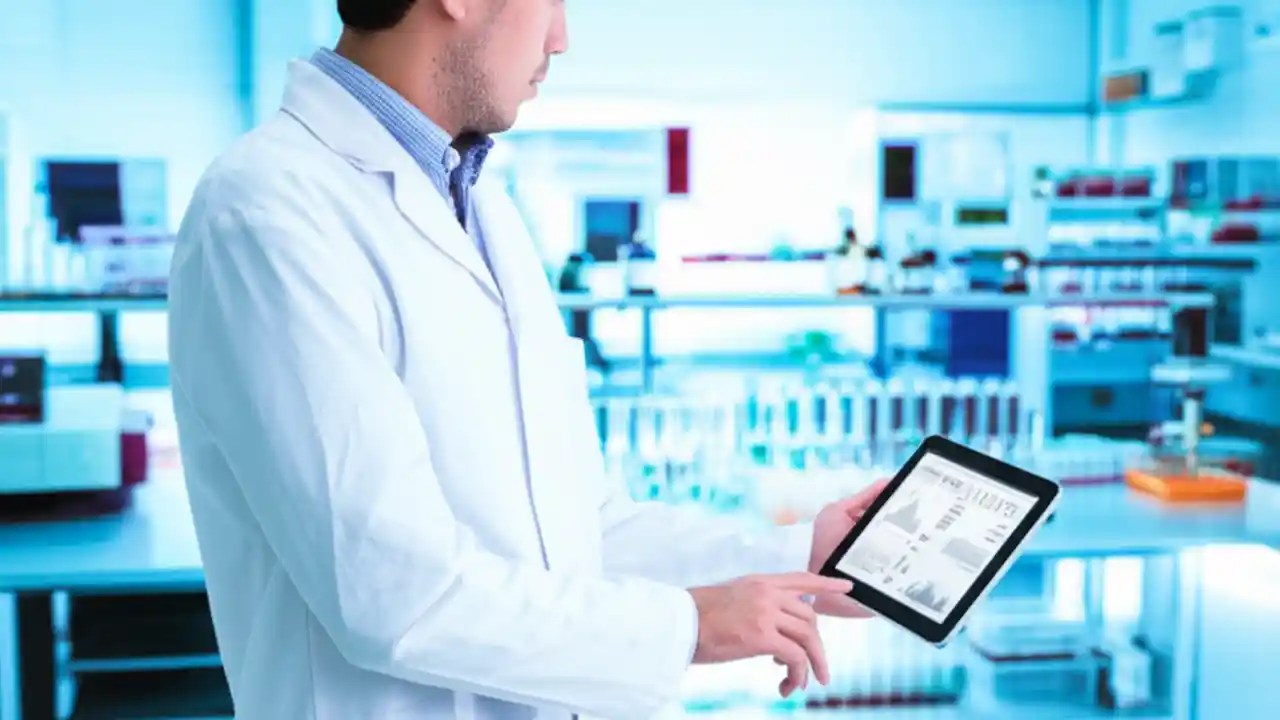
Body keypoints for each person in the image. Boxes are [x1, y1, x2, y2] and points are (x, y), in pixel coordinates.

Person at [167, 1, 888, 718]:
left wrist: (798, 559)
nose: (562, 38)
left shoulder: (486, 212)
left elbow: (575, 532)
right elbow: (394, 594)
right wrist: (690, 626)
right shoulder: (265, 212)